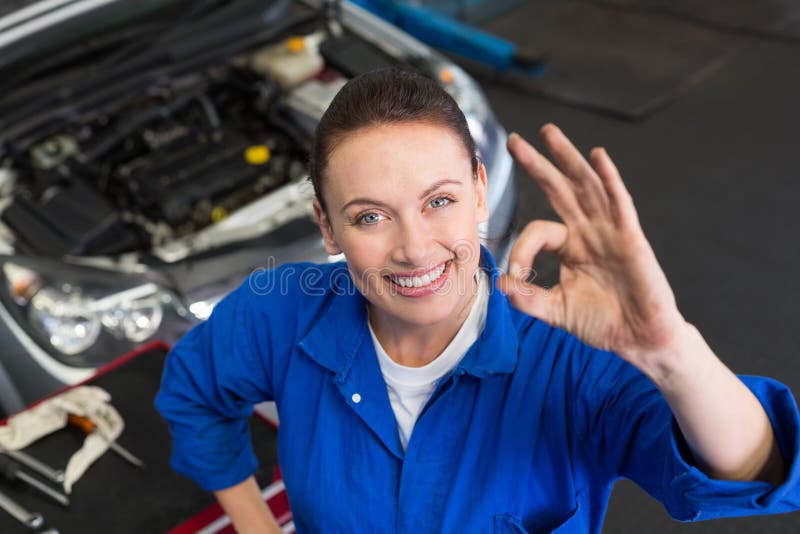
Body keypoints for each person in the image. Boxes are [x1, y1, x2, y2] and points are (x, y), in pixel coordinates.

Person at [155, 69, 800, 533]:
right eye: (370, 216)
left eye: (439, 201)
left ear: (479, 188)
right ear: (327, 227)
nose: (414, 248)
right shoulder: (279, 312)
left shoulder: (574, 361)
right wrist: (254, 522)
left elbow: (755, 470)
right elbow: (192, 389)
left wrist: (670, 350)